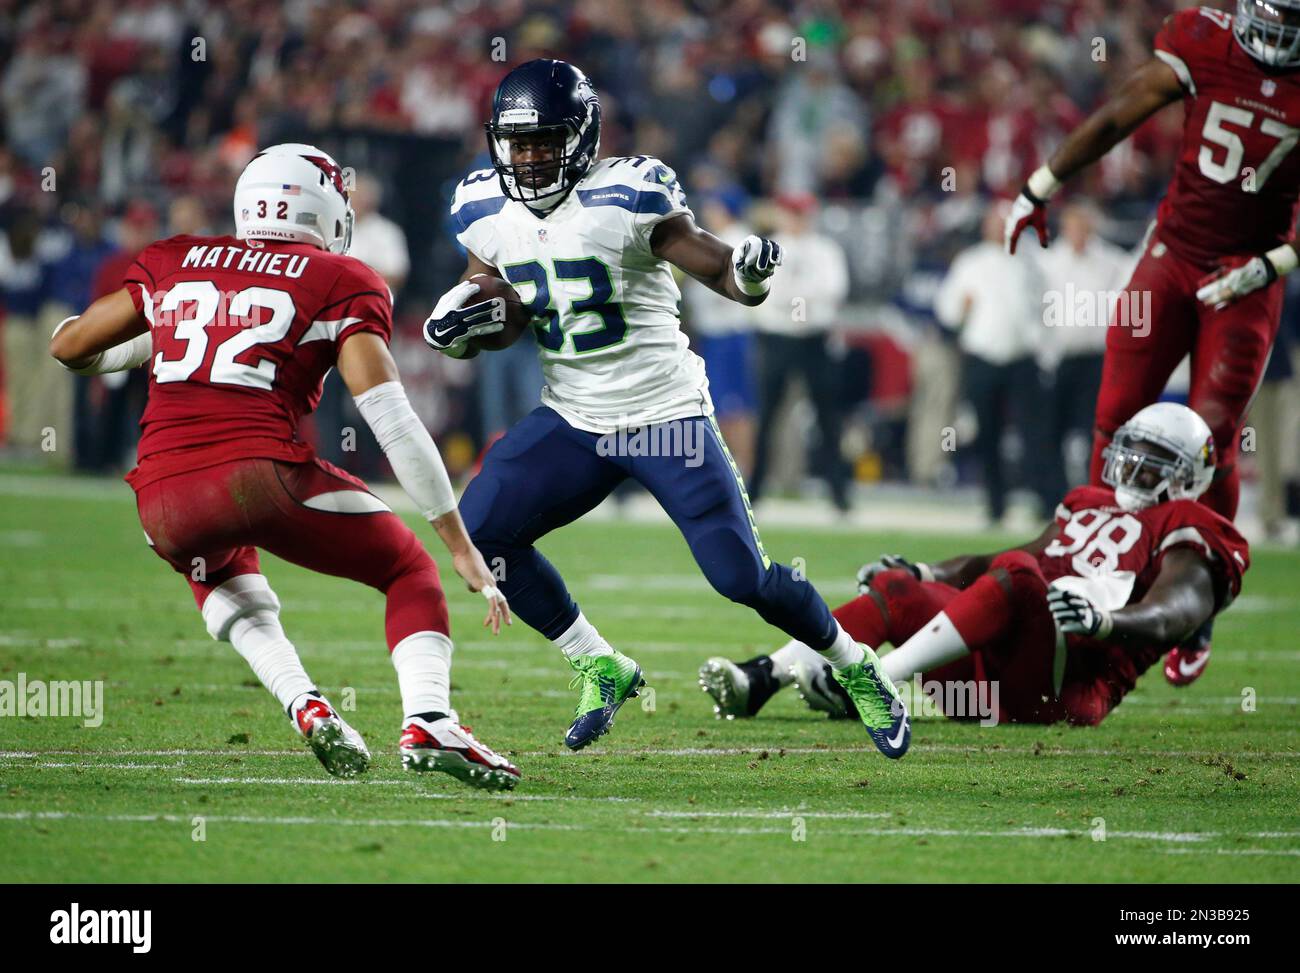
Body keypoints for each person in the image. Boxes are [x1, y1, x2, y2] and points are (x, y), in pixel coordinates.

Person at [423, 59, 910, 758]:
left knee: (742, 577)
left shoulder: (626, 192)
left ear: (583, 138)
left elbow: (715, 266)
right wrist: (464, 333)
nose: (528, 159)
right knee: (482, 531)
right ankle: (599, 663)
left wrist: (748, 274)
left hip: (663, 414)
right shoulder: (481, 206)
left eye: (544, 142)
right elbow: (502, 314)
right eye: (517, 143)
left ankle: (855, 664)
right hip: (574, 417)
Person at [48, 143, 519, 790]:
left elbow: (69, 346)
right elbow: (392, 418)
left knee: (220, 571)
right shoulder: (339, 277)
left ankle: (304, 701)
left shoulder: (176, 258)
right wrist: (460, 545)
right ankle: (429, 720)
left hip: (159, 495)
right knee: (408, 566)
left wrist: (169, 330)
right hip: (257, 473)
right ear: (323, 208)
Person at [1005, 1, 1300, 681]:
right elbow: (1121, 113)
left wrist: (1270, 263)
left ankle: (1198, 601)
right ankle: (1087, 574)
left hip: (1248, 274)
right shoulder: (1204, 38)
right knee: (1114, 420)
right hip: (1172, 255)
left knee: (1213, 442)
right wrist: (1041, 183)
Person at [699, 403, 1249, 728]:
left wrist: (1107, 622)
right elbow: (1010, 562)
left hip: (1065, 689)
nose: (1130, 468)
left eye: (1150, 462)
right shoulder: (1087, 500)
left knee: (1016, 572)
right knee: (899, 587)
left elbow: (1172, 613)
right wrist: (927, 572)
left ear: (1185, 475)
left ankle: (874, 686)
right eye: (1128, 452)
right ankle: (762, 678)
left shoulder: (1194, 526)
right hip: (995, 671)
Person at [936, 201, 1046, 523]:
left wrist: (1042, 346)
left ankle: (1043, 498)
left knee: (1033, 432)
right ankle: (995, 503)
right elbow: (947, 311)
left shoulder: (1031, 261)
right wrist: (961, 306)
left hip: (1023, 358)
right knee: (988, 432)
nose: (999, 229)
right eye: (995, 223)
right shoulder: (970, 263)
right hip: (983, 357)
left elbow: (1045, 309)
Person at [747, 192, 853, 511]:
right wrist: (802, 296)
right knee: (767, 416)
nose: (796, 220)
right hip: (776, 337)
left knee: (827, 416)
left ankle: (839, 493)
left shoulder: (825, 249)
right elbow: (762, 292)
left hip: (813, 339)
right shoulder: (765, 246)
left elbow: (835, 291)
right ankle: (755, 490)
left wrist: (793, 296)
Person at [1035, 201, 1132, 497]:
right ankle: (1053, 497)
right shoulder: (1047, 262)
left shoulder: (1112, 261)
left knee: (1098, 431)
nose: (1077, 233)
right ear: (1064, 228)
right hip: (1058, 359)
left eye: (1083, 226)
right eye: (1072, 226)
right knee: (1050, 430)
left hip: (1097, 359)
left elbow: (1127, 306)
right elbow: (1037, 310)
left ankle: (1098, 493)